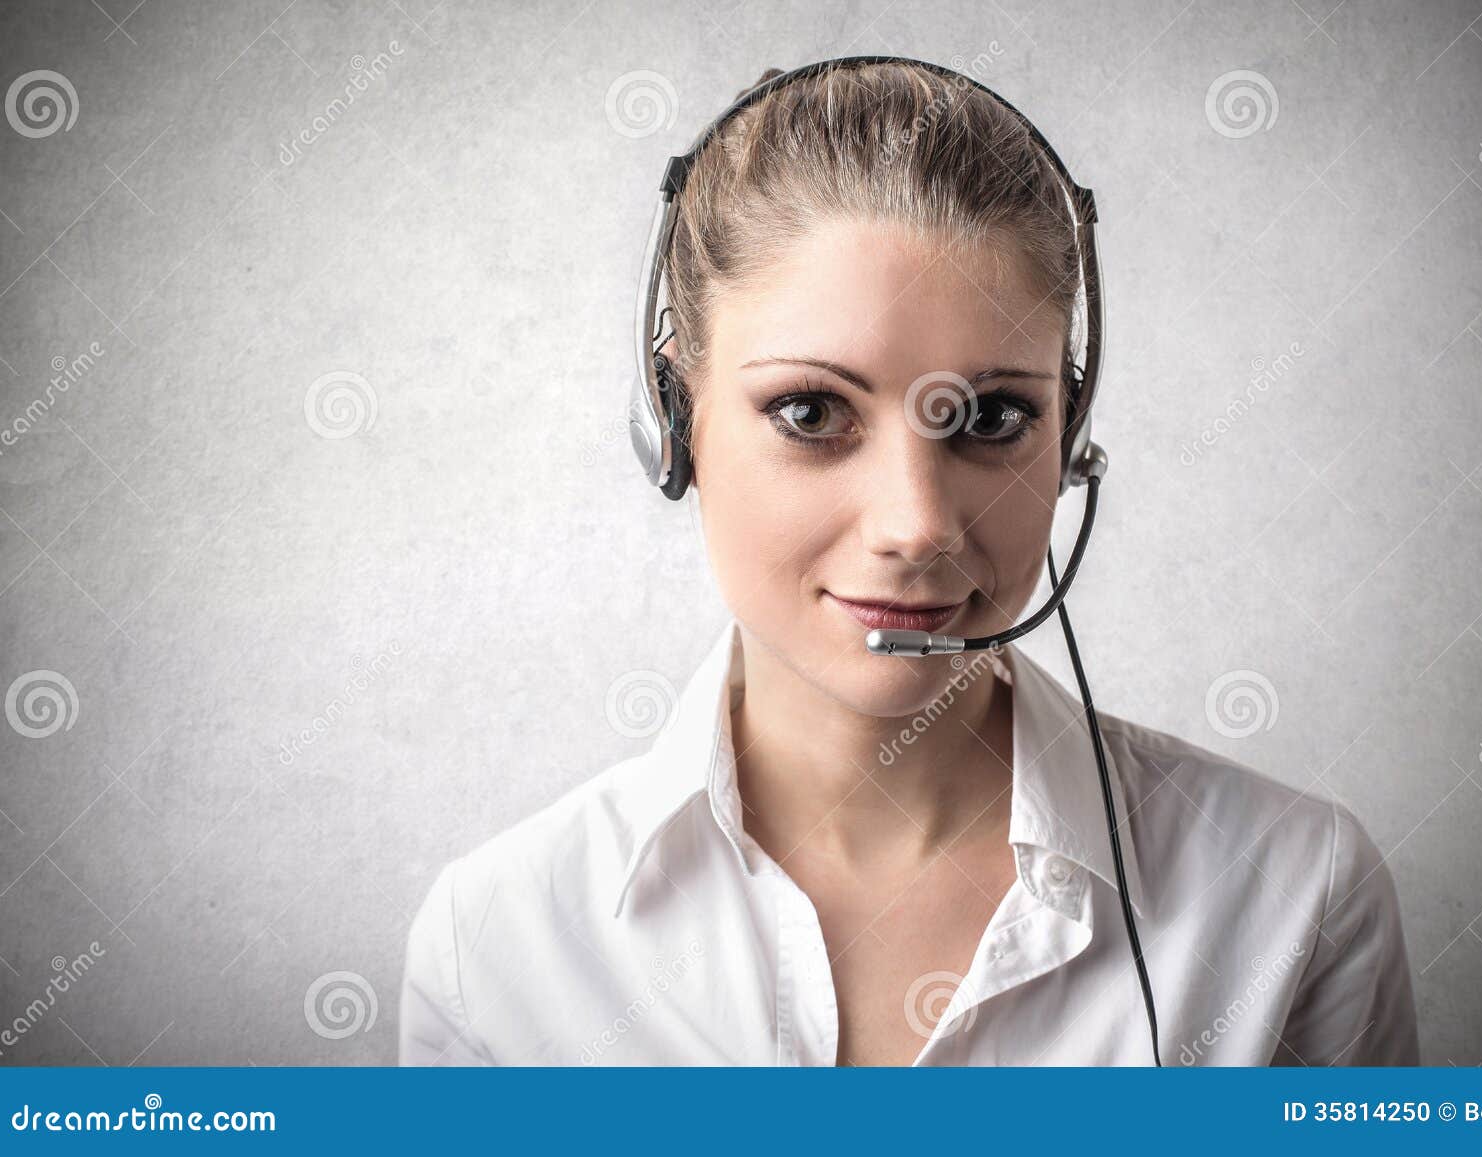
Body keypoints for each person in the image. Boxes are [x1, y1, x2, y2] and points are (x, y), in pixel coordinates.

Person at [399, 59, 1420, 1067]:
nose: (917, 524)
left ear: (1069, 441)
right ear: (672, 425)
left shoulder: (1294, 894)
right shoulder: (495, 946)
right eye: (810, 411)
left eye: (990, 417)